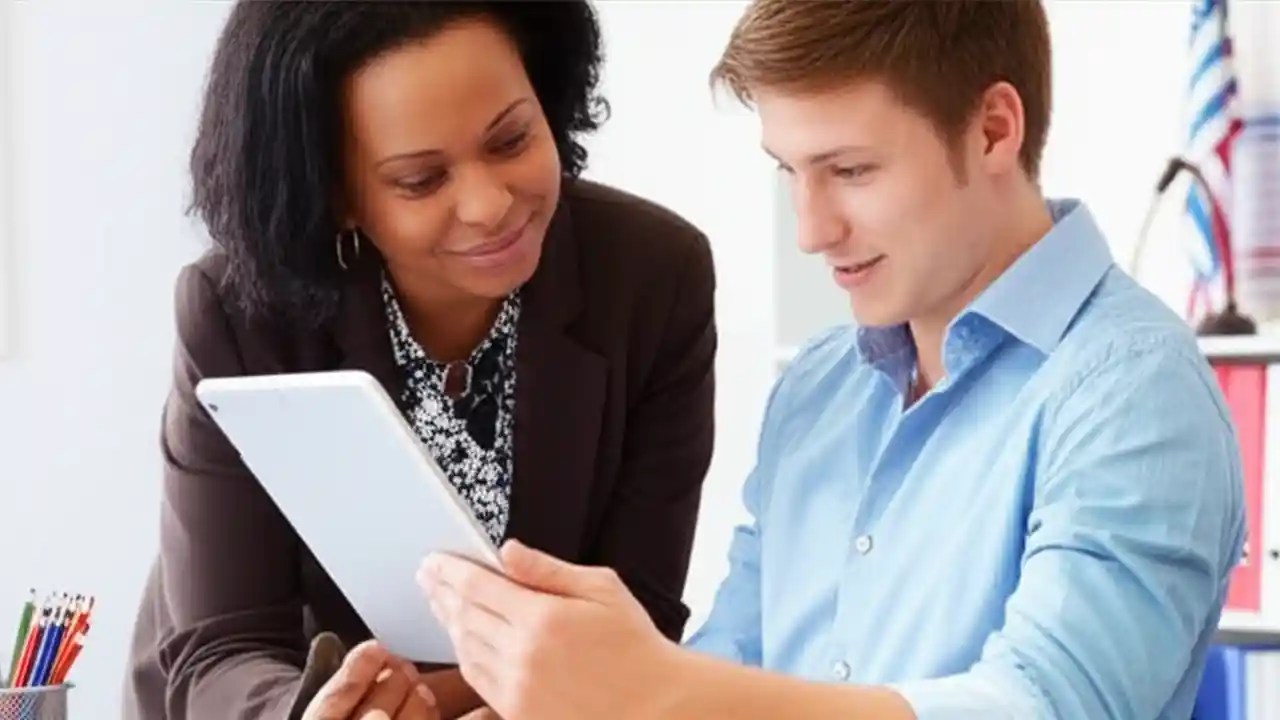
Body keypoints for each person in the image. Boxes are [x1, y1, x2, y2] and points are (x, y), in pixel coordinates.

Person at [419, 1, 1246, 718]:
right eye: (790, 171)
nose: (811, 230)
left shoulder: (1135, 389)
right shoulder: (820, 387)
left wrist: (655, 689)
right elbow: (728, 669)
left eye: (850, 170)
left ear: (995, 129)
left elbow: (1042, 706)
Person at [121, 2, 717, 718]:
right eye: (421, 180)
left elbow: (638, 612)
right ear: (334, 194)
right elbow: (222, 651)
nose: (488, 204)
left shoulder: (654, 277)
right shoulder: (237, 312)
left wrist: (450, 706)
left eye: (511, 140)